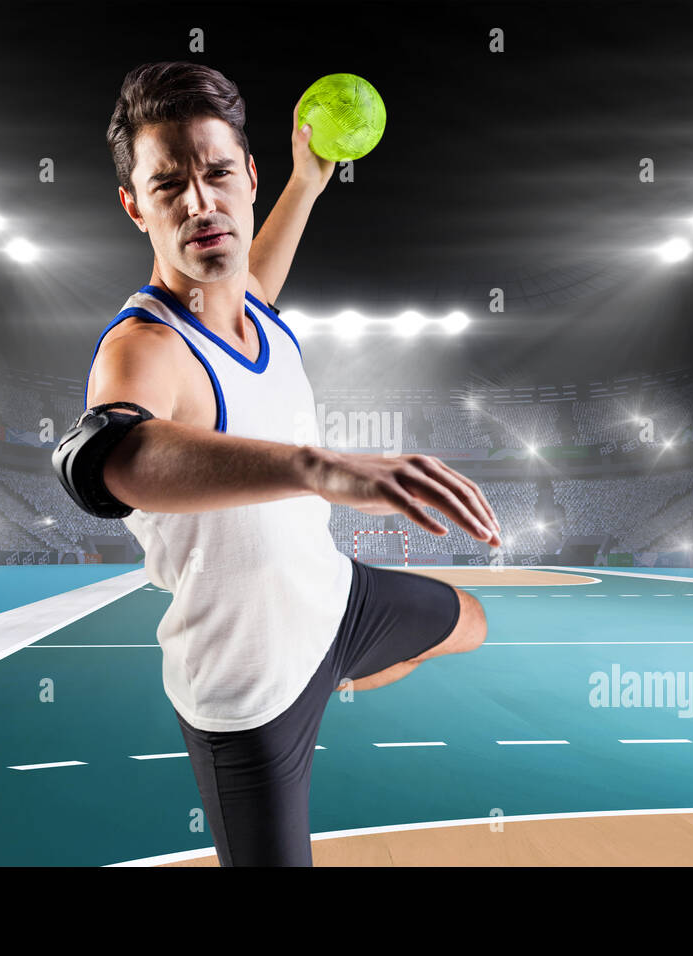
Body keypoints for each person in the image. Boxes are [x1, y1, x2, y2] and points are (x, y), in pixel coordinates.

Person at [61, 61, 501, 866]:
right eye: (169, 187)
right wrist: (320, 468)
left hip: (333, 604)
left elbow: (257, 272)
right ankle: (310, 700)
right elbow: (114, 457)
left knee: (470, 621)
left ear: (248, 176)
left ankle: (337, 678)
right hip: (248, 687)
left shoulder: (250, 302)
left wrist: (307, 182)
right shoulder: (147, 348)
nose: (201, 203)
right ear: (135, 205)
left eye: (218, 173)